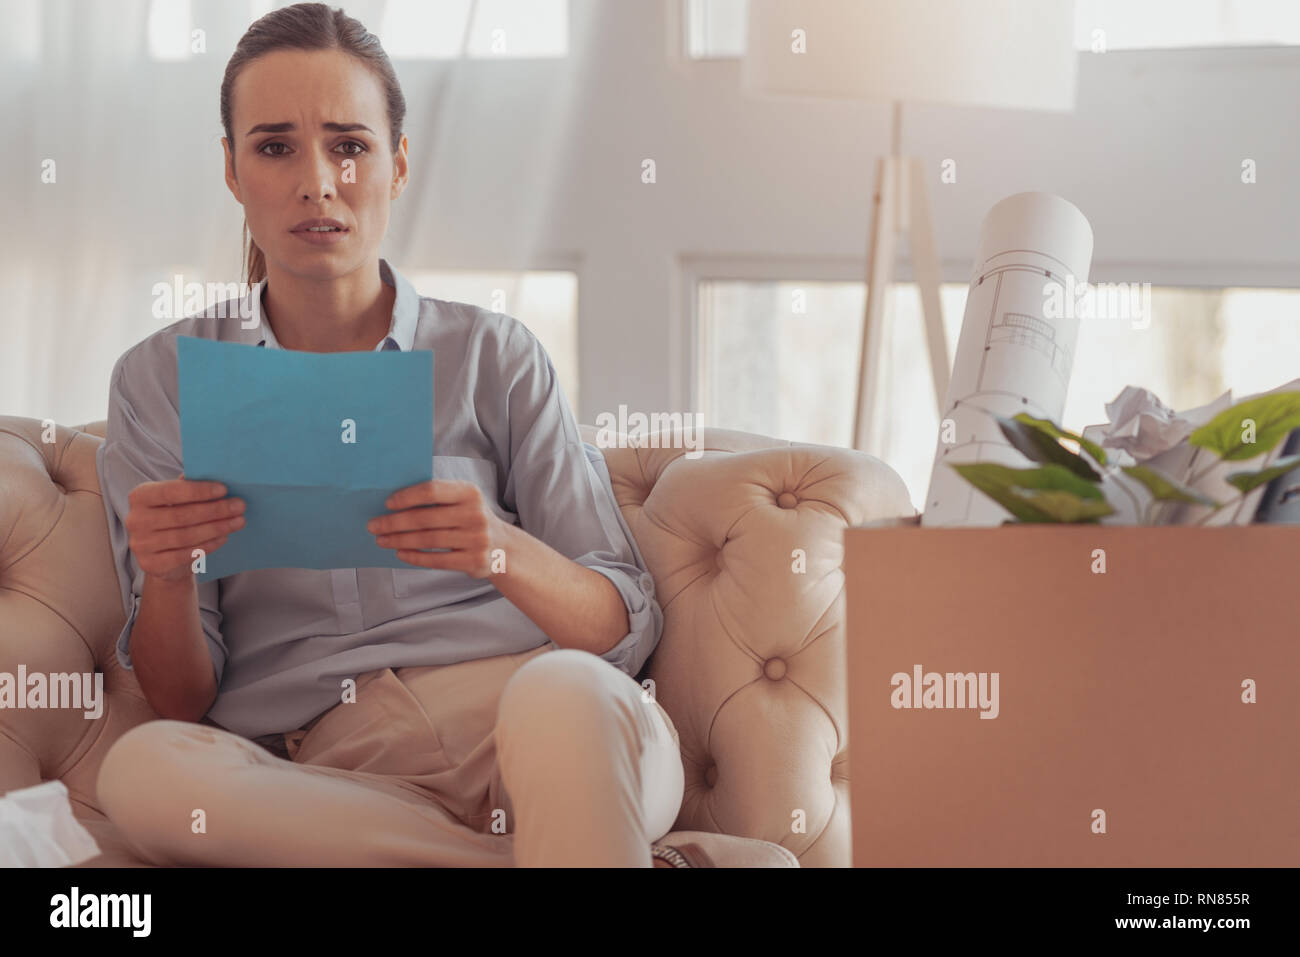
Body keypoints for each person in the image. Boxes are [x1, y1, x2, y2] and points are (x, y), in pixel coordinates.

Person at [94, 2, 684, 868]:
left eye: (350, 145)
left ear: (398, 163)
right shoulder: (160, 380)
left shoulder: (495, 354)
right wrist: (168, 572)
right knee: (144, 769)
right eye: (274, 146)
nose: (317, 183)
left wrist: (501, 550)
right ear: (230, 169)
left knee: (566, 693)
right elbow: (183, 699)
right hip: (326, 775)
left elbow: (620, 626)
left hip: (546, 727)